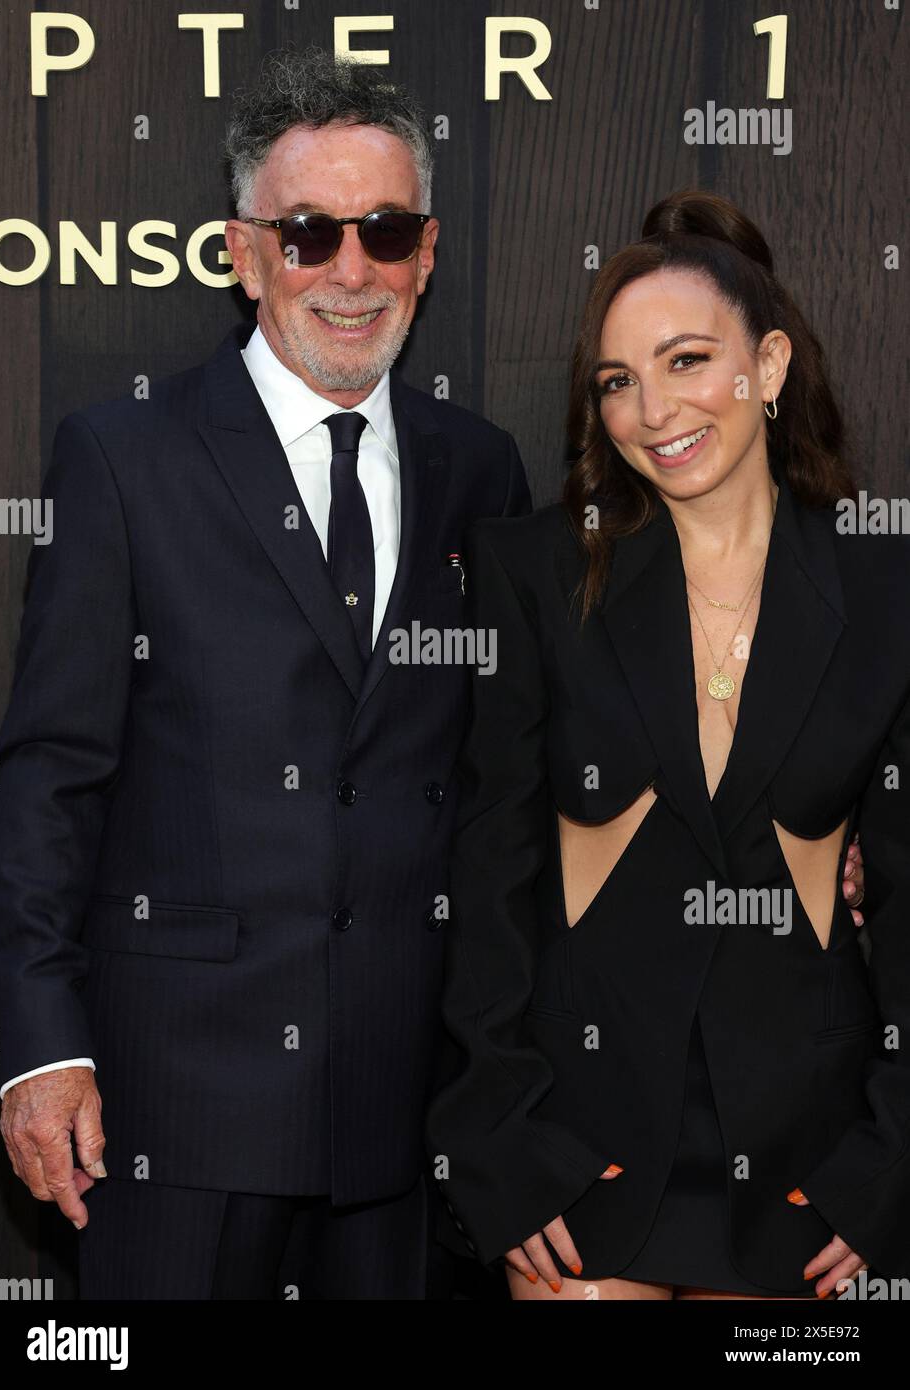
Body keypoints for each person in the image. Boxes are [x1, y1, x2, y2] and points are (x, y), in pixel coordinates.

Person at [0, 45, 531, 1300]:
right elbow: (48, 779)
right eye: (309, 234)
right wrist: (39, 1051)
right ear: (243, 252)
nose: (351, 271)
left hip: (405, 1119)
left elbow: (507, 778)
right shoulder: (123, 457)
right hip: (168, 1111)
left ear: (428, 252)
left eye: (385, 231)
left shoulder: (479, 470)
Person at [426, 189, 906, 1301]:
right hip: (581, 1146)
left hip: (804, 1162)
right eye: (618, 380)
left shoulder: (884, 587)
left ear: (771, 366)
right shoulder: (536, 572)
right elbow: (486, 880)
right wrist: (503, 1146)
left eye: (688, 360)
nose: (654, 409)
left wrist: (888, 1168)